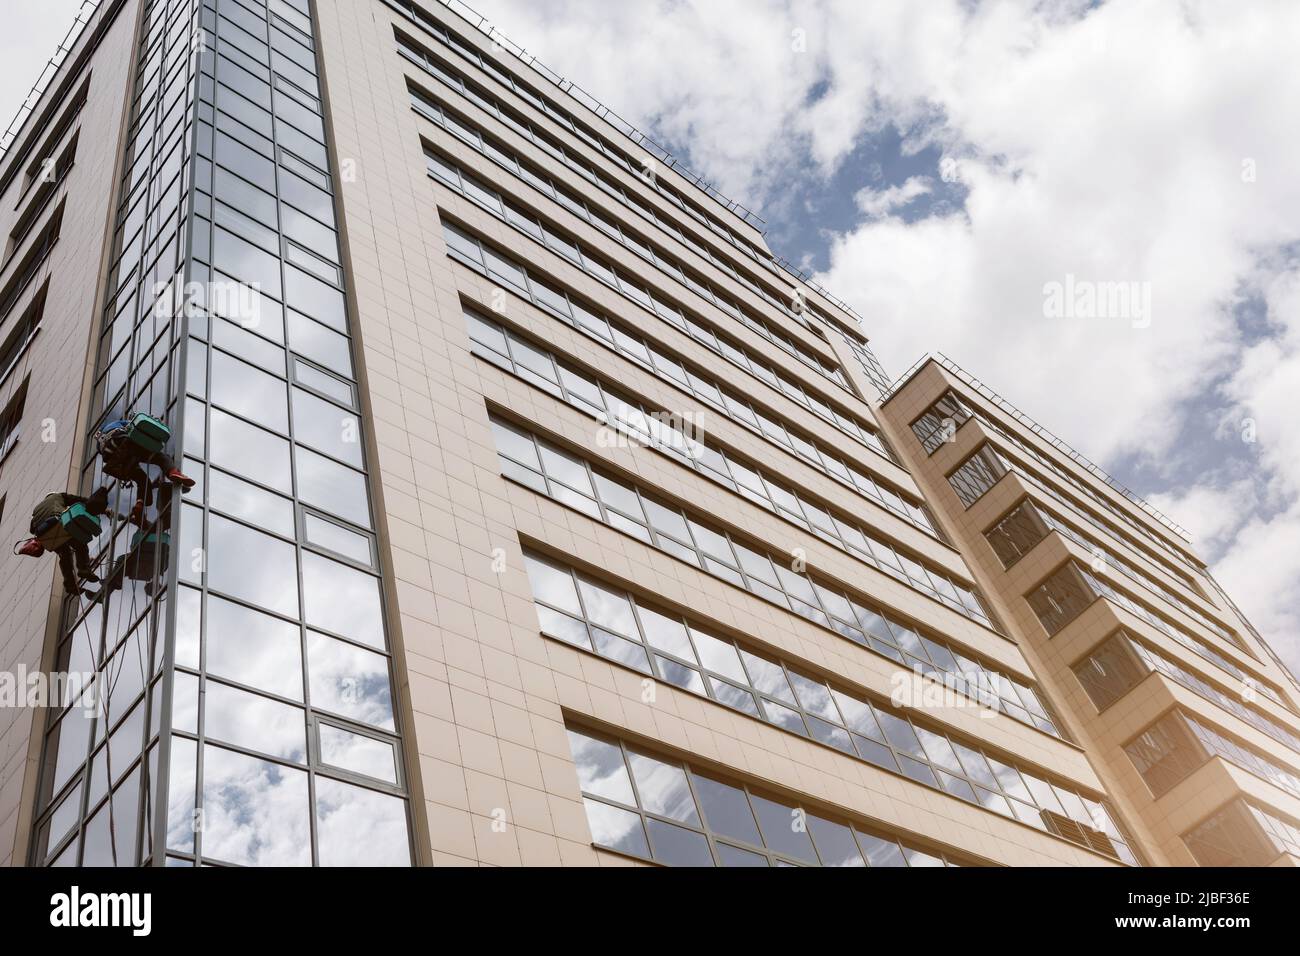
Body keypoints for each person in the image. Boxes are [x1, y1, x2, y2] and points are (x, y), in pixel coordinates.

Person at [94, 415, 194, 523]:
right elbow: (135, 425)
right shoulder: (120, 423)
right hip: (123, 441)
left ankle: (139, 505)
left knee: (143, 479)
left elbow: (103, 453)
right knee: (161, 457)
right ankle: (172, 472)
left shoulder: (102, 436)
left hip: (114, 456)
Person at [17, 488, 111, 595]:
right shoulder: (59, 496)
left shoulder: (36, 509)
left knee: (65, 555)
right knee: (80, 544)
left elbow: (32, 529)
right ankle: (83, 569)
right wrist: (104, 510)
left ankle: (70, 586)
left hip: (45, 534)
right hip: (58, 522)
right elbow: (80, 500)